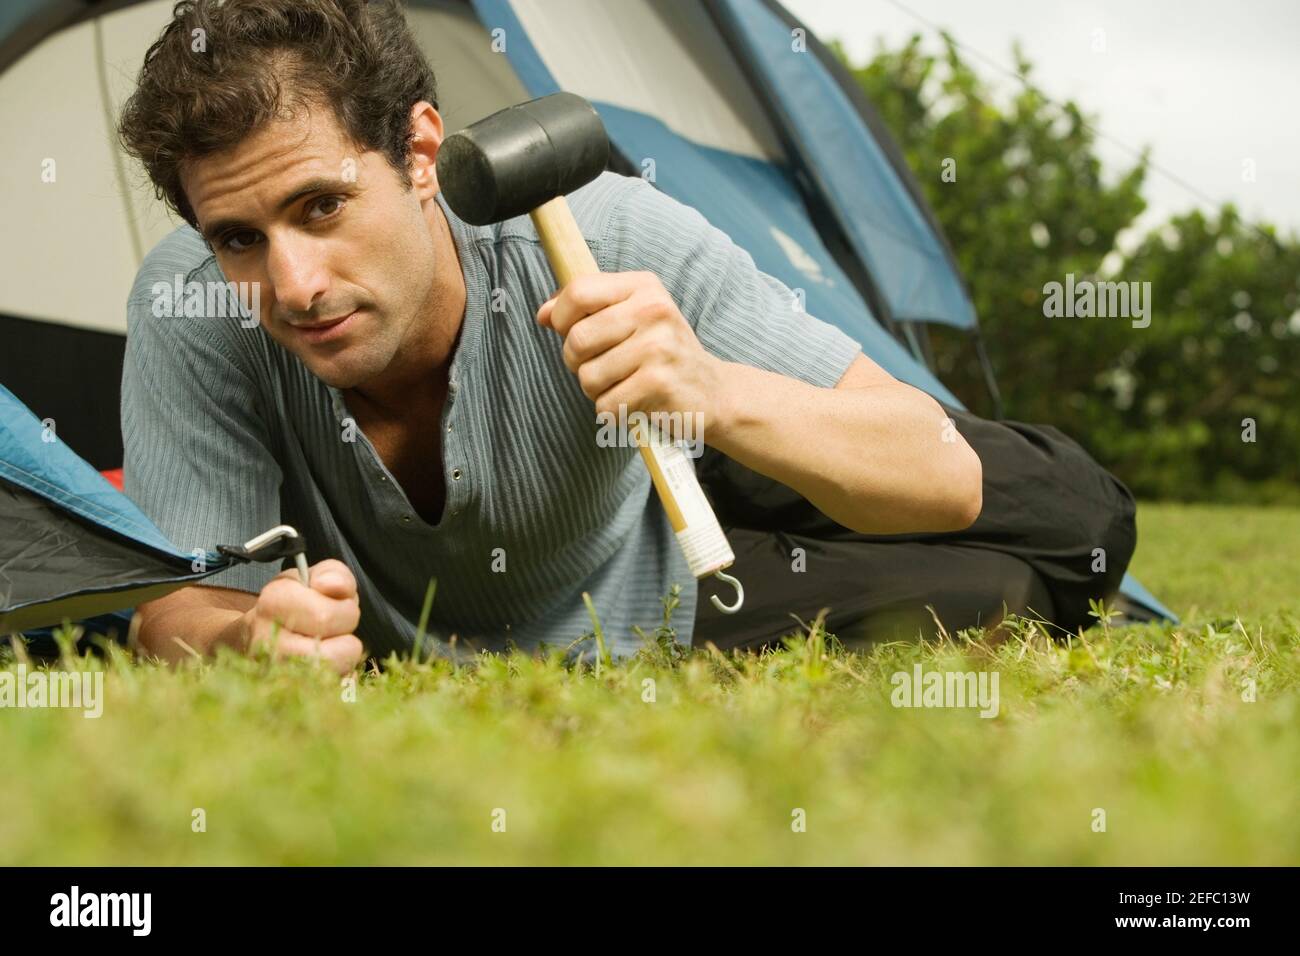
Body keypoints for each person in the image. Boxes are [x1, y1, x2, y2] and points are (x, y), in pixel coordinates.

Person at [115, 0, 1129, 674]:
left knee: (1073, 516)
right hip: (663, 604)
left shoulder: (598, 228)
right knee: (1002, 593)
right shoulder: (192, 305)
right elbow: (173, 615)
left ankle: (740, 449)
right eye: (241, 238)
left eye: (323, 205)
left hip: (695, 454)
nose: (292, 285)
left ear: (420, 152)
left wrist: (711, 391)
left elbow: (942, 474)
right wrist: (252, 634)